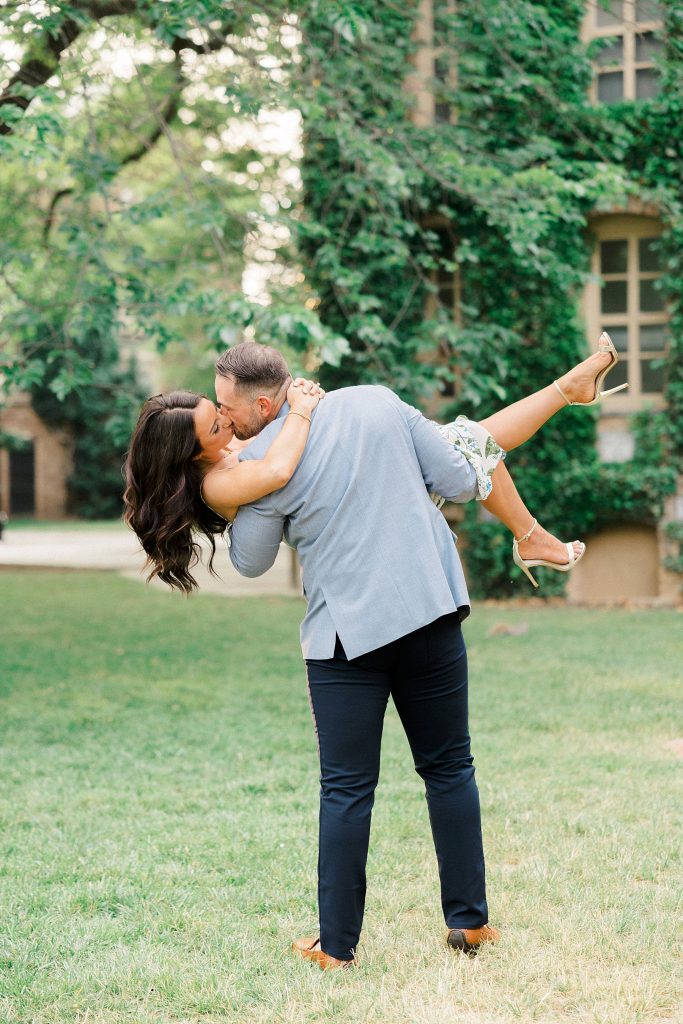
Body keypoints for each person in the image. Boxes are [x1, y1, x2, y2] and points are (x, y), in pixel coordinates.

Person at [123, 335, 624, 968]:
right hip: (429, 611)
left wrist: (267, 498)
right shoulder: (377, 402)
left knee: (347, 790)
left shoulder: (261, 463)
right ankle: (468, 924)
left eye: (227, 408)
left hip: (345, 640)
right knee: (449, 769)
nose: (225, 420)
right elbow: (453, 477)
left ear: (260, 400)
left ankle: (337, 948)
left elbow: (250, 562)